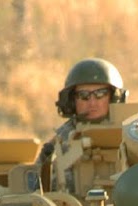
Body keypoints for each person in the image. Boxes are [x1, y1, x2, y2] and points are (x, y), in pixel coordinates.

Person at [38, 57, 127, 193]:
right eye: (84, 95)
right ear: (72, 100)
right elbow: (37, 187)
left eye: (100, 94)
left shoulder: (131, 132)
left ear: (114, 97)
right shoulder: (59, 142)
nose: (92, 102)